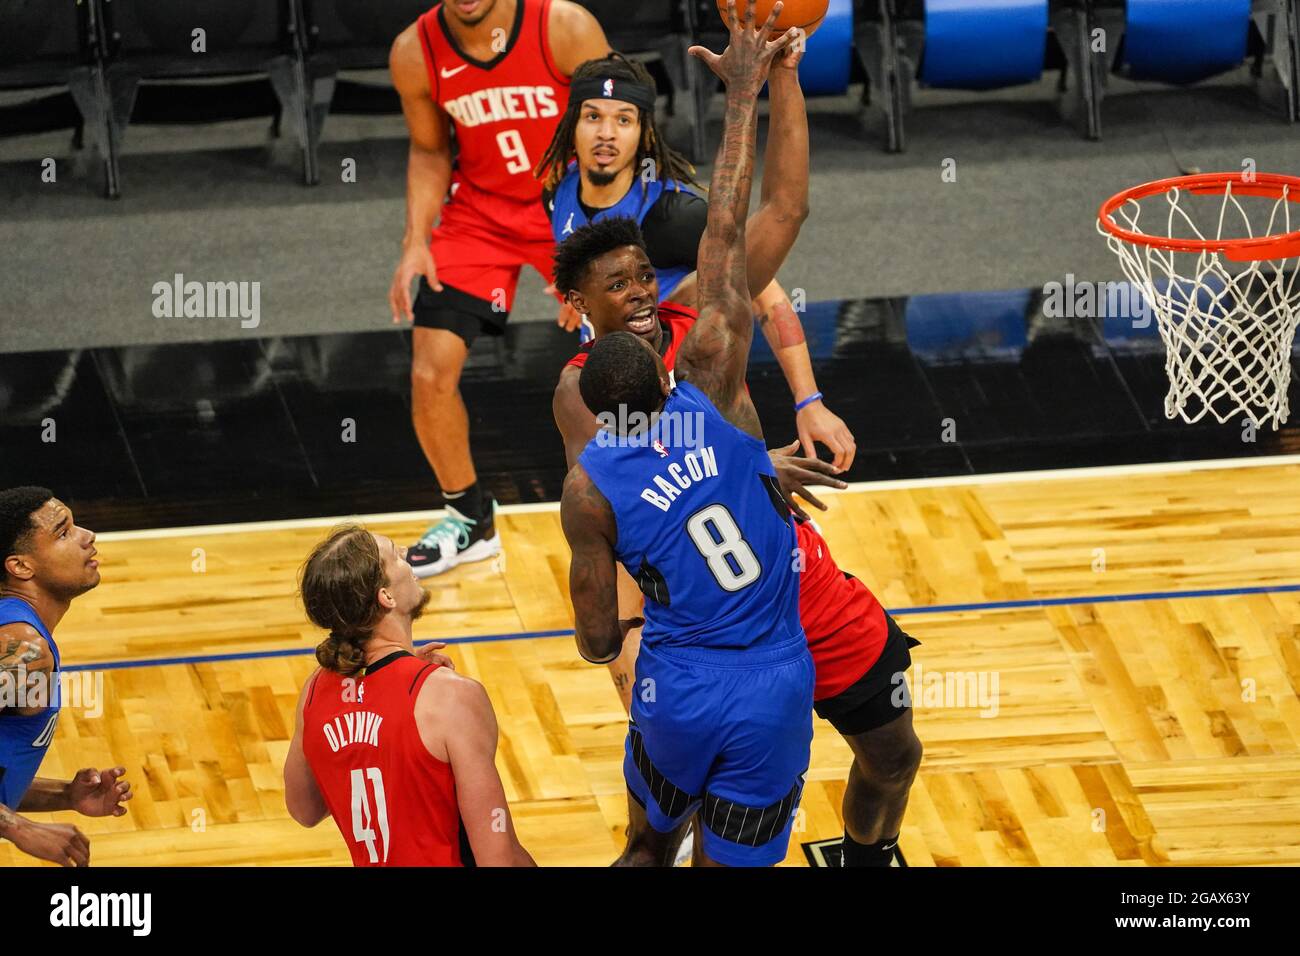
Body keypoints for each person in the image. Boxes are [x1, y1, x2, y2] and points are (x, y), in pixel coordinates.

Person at [561, 4, 815, 867]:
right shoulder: (708, 358)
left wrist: (621, 641)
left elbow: (597, 609)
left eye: (643, 276)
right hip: (762, 665)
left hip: (677, 677)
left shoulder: (588, 467)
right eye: (621, 283)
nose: (639, 292)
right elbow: (744, 217)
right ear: (579, 308)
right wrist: (746, 91)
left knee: (643, 847)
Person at [536, 52, 855, 476]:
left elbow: (766, 290)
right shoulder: (560, 190)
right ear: (572, 123)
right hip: (615, 379)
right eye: (593, 117)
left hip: (685, 373)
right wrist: (583, 295)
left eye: (624, 120)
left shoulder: (674, 216)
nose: (606, 135)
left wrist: (808, 401)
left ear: (644, 131)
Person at [387, 0, 610, 578]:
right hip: (481, 214)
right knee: (429, 372)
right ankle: (469, 519)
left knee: (638, 360)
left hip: (570, 206)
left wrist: (587, 245)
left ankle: (673, 492)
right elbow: (432, 149)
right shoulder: (416, 51)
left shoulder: (564, 27)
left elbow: (621, 131)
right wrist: (416, 239)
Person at [285, 525, 534, 866]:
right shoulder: (451, 697)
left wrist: (399, 673)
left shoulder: (315, 691)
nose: (405, 554)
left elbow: (304, 809)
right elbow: (498, 857)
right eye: (394, 555)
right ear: (385, 596)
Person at [0, 486, 134, 867]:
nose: (87, 536)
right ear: (21, 566)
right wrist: (17, 828)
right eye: (63, 532)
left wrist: (64, 796)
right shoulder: (23, 651)